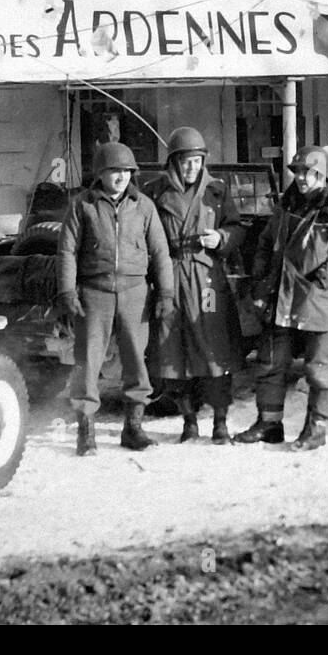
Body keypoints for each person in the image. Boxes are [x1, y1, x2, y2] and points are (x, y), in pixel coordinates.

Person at [235, 145, 328, 451]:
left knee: (319, 369)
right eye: (298, 172)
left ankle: (316, 429)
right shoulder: (285, 207)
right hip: (280, 297)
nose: (303, 179)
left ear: (322, 174)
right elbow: (266, 243)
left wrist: (324, 278)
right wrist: (260, 281)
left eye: (309, 173)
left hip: (319, 301)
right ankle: (269, 424)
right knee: (270, 363)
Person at [57, 142, 174, 456]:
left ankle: (133, 428)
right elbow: (67, 251)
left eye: (125, 171)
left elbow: (160, 252)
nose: (120, 177)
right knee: (88, 360)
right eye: (113, 171)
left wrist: (165, 292)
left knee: (136, 359)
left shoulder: (144, 206)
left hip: (136, 293)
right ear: (100, 174)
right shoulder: (83, 205)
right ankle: (86, 431)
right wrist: (68, 291)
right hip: (94, 292)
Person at [143, 127, 245, 444]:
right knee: (174, 351)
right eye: (186, 161)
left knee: (216, 350)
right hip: (170, 277)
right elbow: (144, 233)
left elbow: (236, 227)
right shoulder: (155, 191)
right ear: (174, 162)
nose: (192, 168)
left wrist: (222, 238)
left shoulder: (217, 190)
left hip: (207, 281)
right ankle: (189, 421)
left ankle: (220, 422)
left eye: (197, 161)